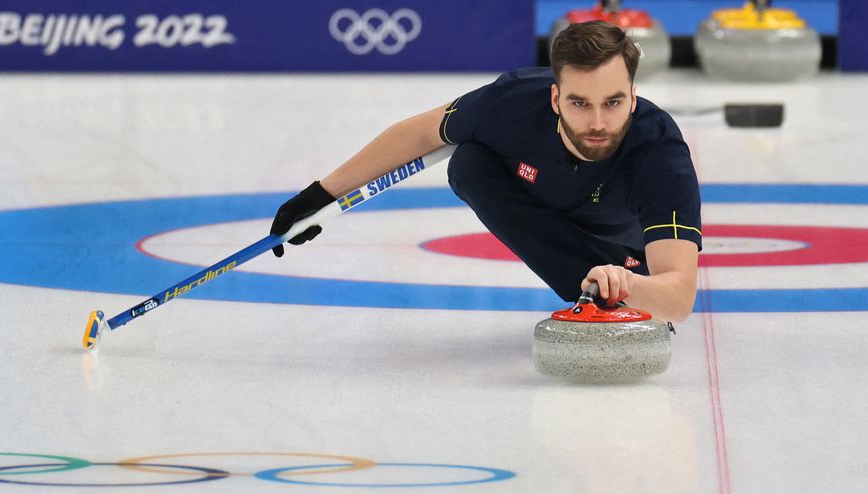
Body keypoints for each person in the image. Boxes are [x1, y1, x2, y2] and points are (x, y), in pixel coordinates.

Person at [269, 21, 701, 323]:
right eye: (579, 103)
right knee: (469, 163)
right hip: (551, 212)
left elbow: (678, 297)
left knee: (633, 280)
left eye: (613, 102)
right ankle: (588, 292)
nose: (598, 123)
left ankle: (604, 291)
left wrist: (628, 284)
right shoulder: (511, 102)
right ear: (554, 99)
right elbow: (421, 134)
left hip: (624, 257)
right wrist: (321, 194)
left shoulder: (659, 151)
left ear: (632, 94)